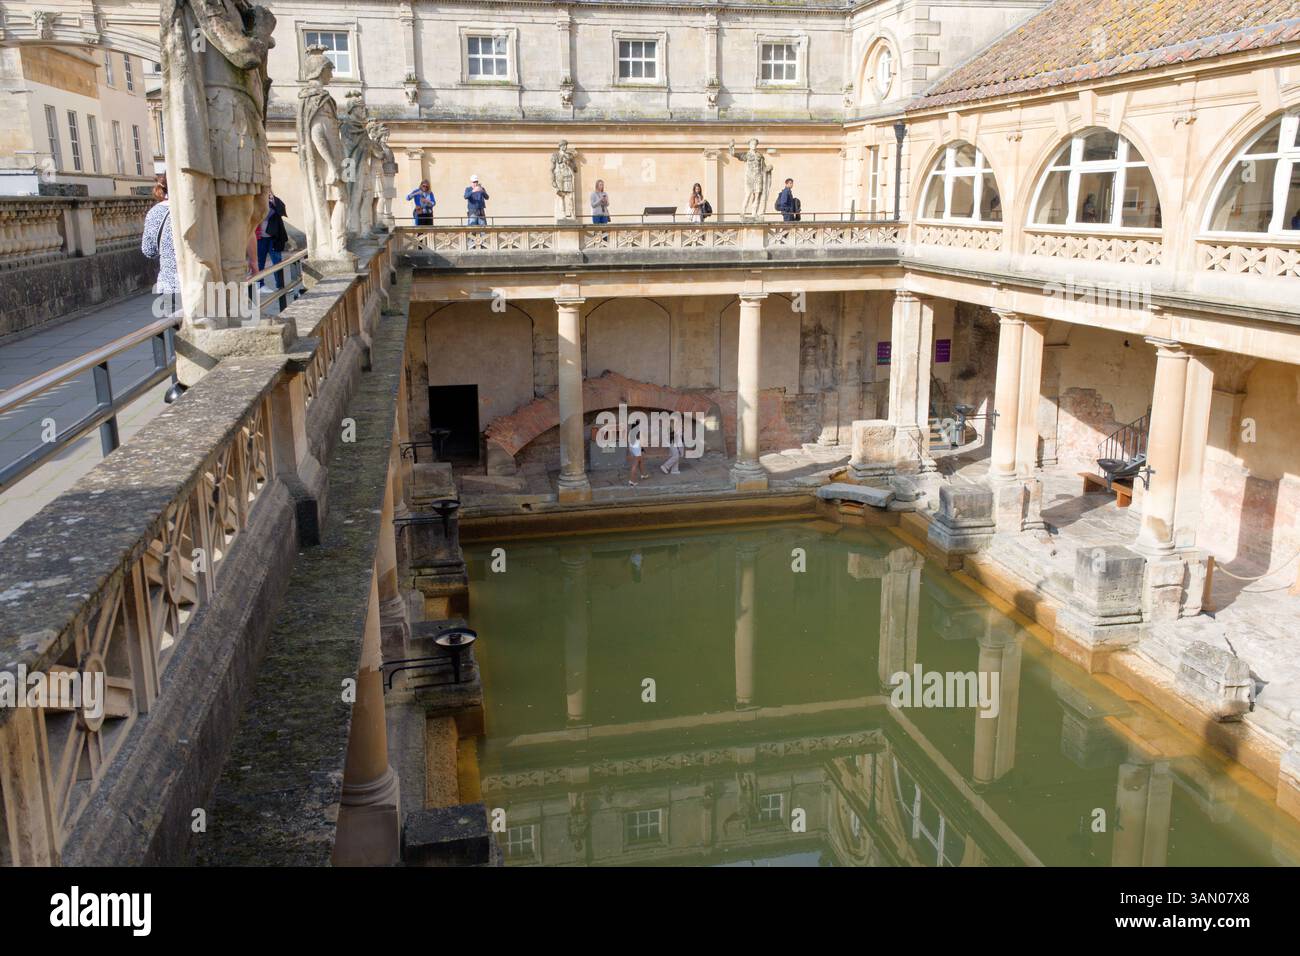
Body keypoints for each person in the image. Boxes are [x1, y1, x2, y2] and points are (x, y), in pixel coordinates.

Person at [141, 173, 179, 312]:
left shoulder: (154, 213)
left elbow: (148, 250)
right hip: (200, 282)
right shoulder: (195, 208)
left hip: (169, 283)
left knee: (176, 329)